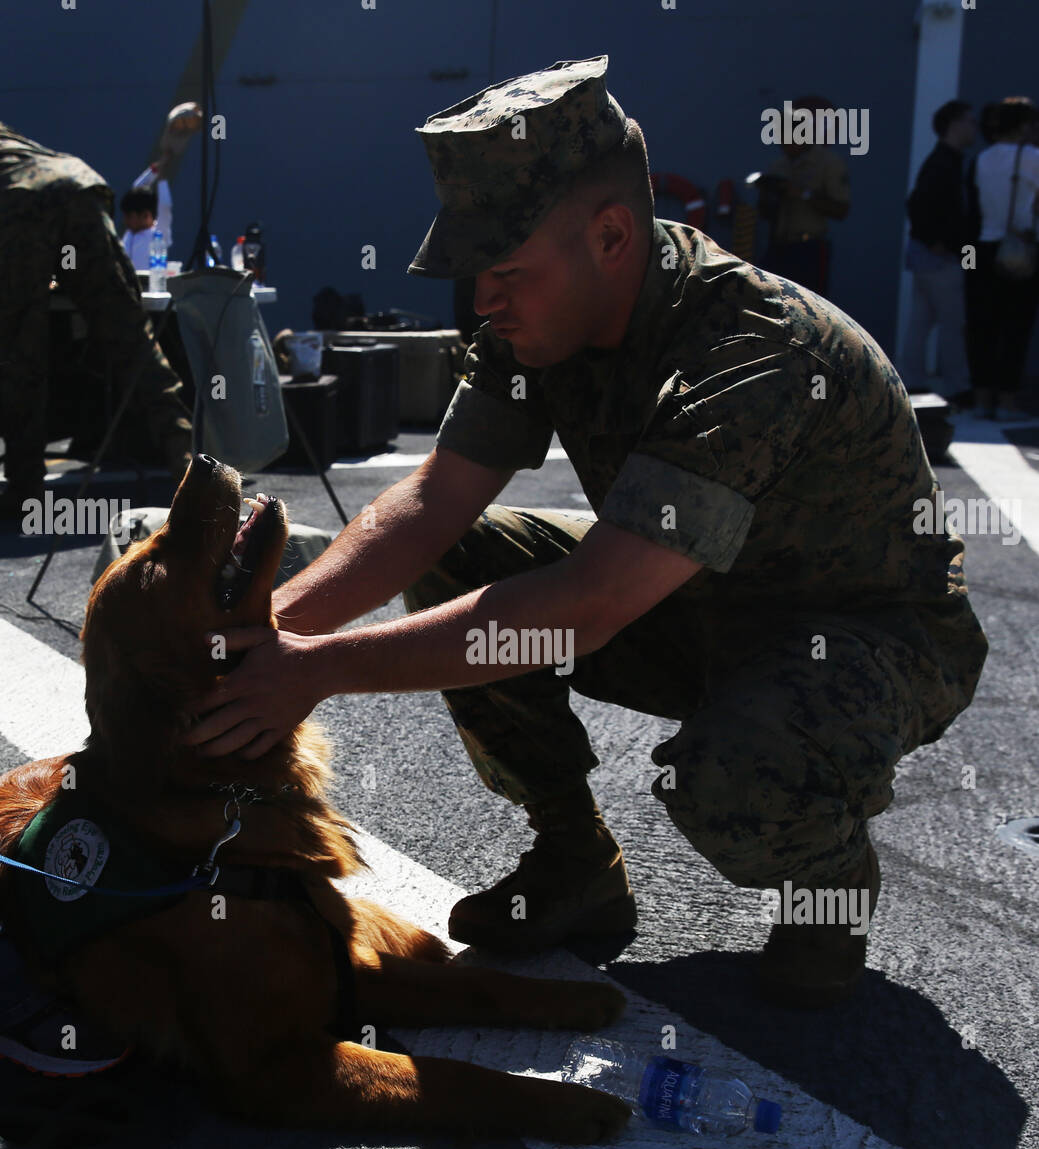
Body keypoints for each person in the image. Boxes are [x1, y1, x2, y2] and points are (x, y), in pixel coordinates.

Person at [179, 55, 988, 1012]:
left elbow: (588, 607)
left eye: (507, 270)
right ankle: (573, 861)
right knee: (459, 554)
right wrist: (255, 637)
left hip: (862, 637)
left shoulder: (751, 354)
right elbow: (431, 502)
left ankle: (825, 887)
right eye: (478, 271)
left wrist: (312, 670)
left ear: (611, 236)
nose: (484, 298)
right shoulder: (541, 324)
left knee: (734, 780)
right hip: (691, 603)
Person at [0, 106, 200, 521]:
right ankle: (192, 473)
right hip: (76, 182)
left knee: (21, 360)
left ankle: (25, 493)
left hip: (19, 201)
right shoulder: (14, 142)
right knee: (132, 336)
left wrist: (28, 277)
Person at [964, 96, 1039, 421]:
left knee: (984, 325)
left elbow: (975, 204)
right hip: (1022, 247)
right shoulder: (1034, 158)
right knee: (1017, 326)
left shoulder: (982, 158)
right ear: (1024, 125)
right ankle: (1007, 400)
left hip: (984, 246)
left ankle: (982, 398)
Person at [902, 100, 976, 408]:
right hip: (938, 258)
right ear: (955, 124)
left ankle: (912, 380)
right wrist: (937, 240)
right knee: (952, 323)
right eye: (969, 122)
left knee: (922, 321)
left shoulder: (944, 161)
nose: (974, 128)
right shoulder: (945, 164)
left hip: (927, 256)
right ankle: (958, 387)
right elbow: (918, 204)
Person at [757, 94, 850, 295]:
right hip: (779, 245)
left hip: (809, 248)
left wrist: (803, 194)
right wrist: (767, 193)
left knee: (810, 306)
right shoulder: (778, 166)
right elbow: (765, 212)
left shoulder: (828, 163)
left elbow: (841, 209)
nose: (781, 141)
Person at [120, 165, 172, 271]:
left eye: (130, 216)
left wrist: (162, 180)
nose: (125, 221)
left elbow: (165, 206)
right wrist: (157, 168)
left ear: (145, 215)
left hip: (148, 287)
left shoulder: (159, 235)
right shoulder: (129, 234)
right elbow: (138, 188)